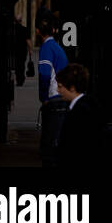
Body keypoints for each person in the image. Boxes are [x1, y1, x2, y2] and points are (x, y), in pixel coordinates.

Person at [36, 11, 69, 168]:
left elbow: (44, 74)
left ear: (37, 31)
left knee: (48, 145)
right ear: (54, 30)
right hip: (62, 96)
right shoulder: (57, 48)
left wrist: (44, 98)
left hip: (54, 97)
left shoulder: (46, 48)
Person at [13, 16, 32, 87]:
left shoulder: (12, 29)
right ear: (21, 21)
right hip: (22, 50)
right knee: (21, 65)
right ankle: (21, 79)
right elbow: (28, 41)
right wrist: (30, 50)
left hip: (14, 50)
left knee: (16, 65)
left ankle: (18, 79)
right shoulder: (24, 29)